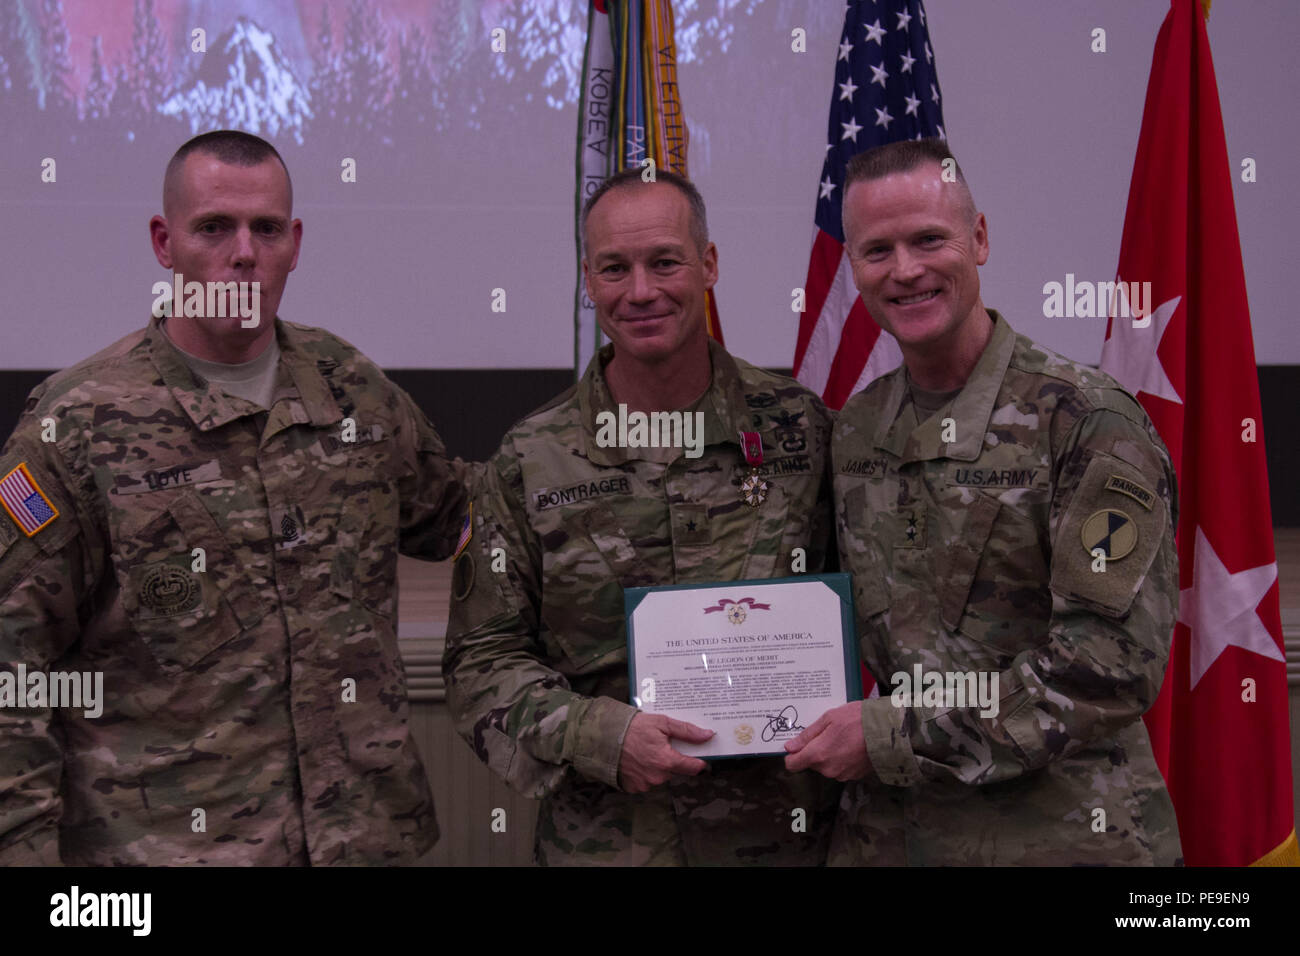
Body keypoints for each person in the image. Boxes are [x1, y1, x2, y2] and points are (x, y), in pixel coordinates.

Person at [0, 130, 467, 865]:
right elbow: (10, 665)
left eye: (266, 229)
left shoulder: (354, 390)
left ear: (294, 244)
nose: (244, 252)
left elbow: (465, 522)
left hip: (364, 843)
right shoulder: (79, 425)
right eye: (214, 227)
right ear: (165, 242)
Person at [785, 138, 1182, 865]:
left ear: (980, 239)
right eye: (877, 251)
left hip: (1061, 840)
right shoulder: (858, 429)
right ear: (854, 268)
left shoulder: (1086, 422)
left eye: (928, 239)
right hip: (892, 840)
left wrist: (892, 734)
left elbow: (1107, 666)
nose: (906, 270)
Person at [444, 169, 840, 865]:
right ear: (588, 281)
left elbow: (880, 608)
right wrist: (597, 736)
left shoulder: (800, 432)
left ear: (708, 264)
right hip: (610, 844)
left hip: (786, 840)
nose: (641, 291)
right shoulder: (530, 460)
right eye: (614, 269)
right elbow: (480, 663)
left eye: (665, 262)